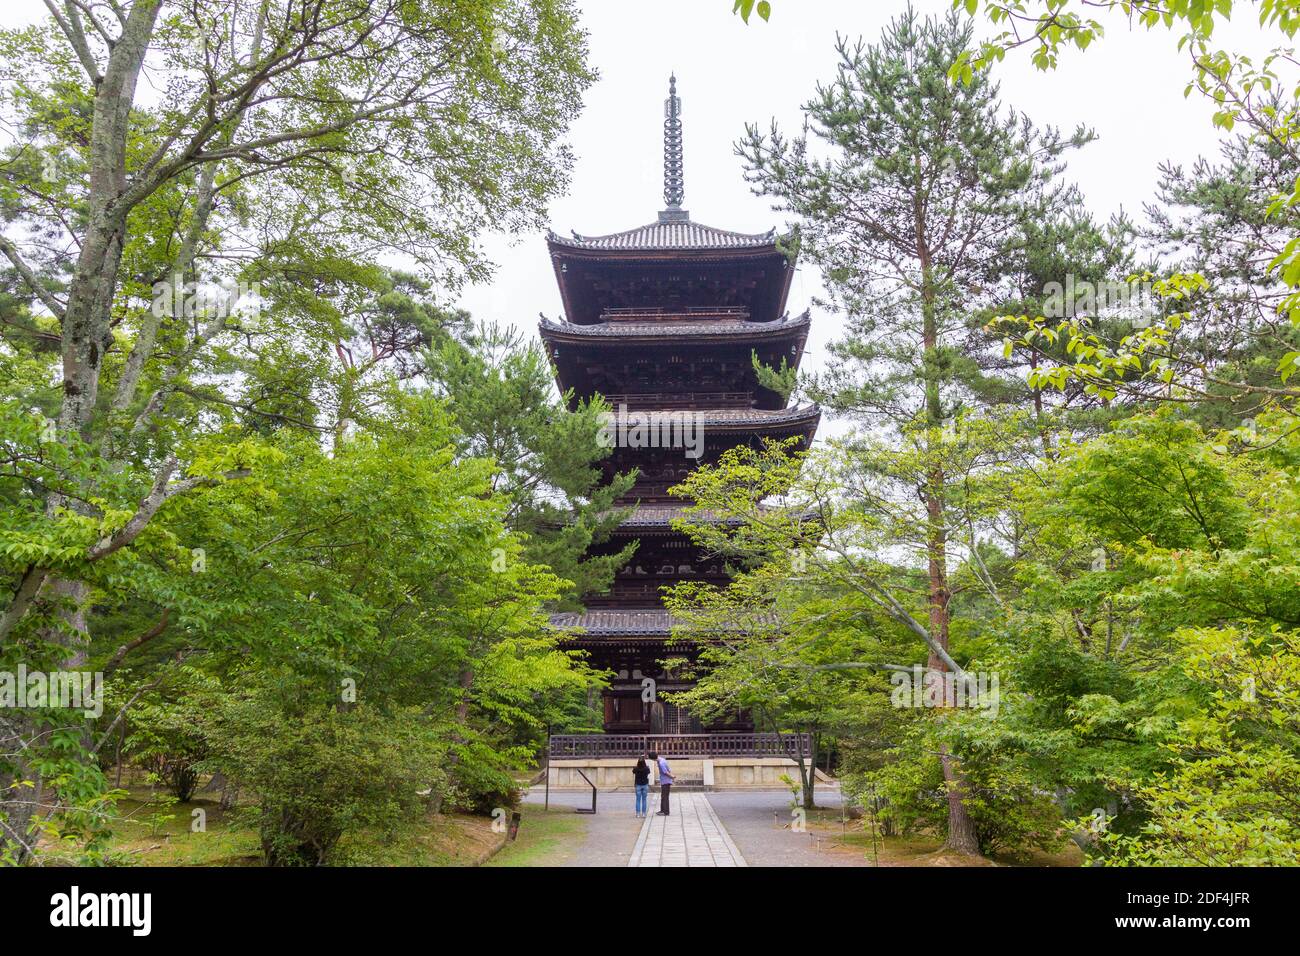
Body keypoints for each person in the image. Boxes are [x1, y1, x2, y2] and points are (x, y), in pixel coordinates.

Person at [650, 750, 673, 816]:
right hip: (665, 781)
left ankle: (665, 811)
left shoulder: (661, 763)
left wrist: (672, 777)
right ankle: (663, 810)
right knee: (664, 796)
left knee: (664, 796)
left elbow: (665, 772)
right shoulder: (661, 759)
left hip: (665, 781)